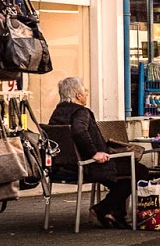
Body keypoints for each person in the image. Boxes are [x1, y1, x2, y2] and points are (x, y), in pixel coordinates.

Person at [49, 77, 144, 229]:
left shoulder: (57, 112)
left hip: (63, 166)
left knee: (121, 179)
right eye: (85, 91)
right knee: (139, 171)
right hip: (87, 166)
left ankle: (115, 214)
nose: (86, 93)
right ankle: (102, 209)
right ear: (79, 95)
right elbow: (79, 131)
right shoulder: (81, 112)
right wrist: (94, 153)